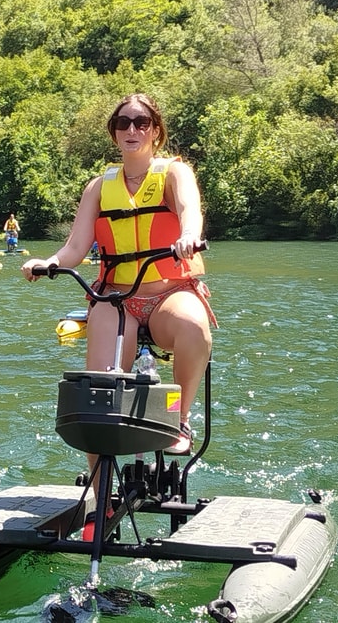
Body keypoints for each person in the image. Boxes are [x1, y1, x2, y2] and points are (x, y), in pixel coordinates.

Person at [21, 93, 215, 458]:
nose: (132, 130)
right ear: (114, 133)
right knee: (98, 398)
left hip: (168, 294)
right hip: (117, 298)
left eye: (141, 123)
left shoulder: (174, 174)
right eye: (123, 123)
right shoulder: (98, 187)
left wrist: (188, 235)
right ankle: (98, 486)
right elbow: (75, 247)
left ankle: (179, 418)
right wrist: (49, 262)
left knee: (194, 327)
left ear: (155, 131)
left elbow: (190, 209)